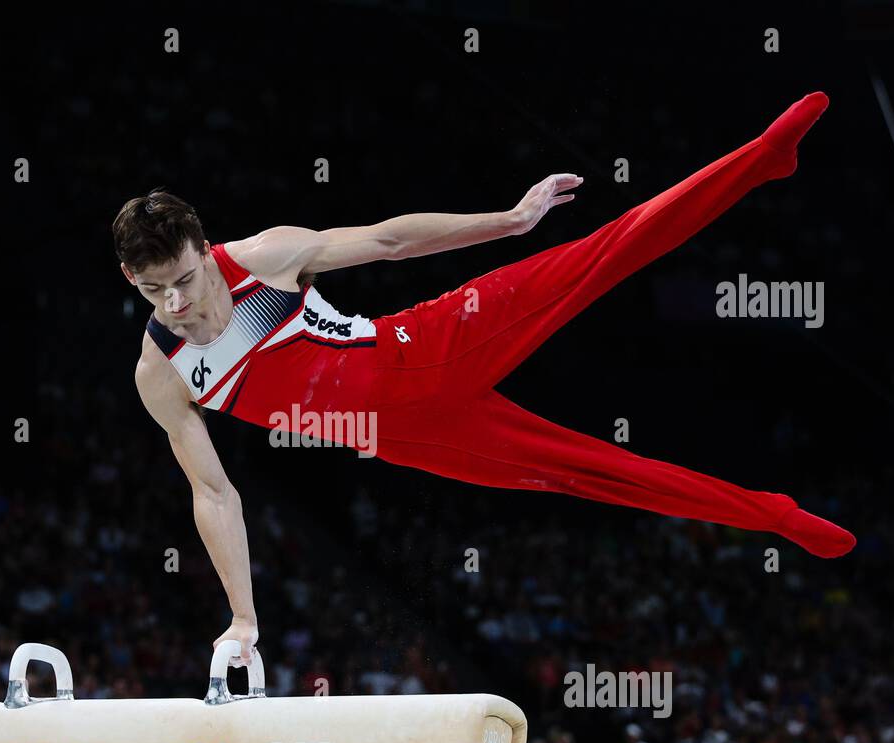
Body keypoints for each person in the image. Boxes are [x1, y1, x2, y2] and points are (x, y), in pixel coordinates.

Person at [119, 93, 854, 662]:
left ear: (203, 247)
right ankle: (773, 516)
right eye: (154, 292)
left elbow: (389, 241)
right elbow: (214, 493)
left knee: (600, 256)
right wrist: (244, 619)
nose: (175, 304)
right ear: (132, 279)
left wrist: (508, 221)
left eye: (182, 279)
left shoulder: (267, 257)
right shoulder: (162, 373)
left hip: (426, 347)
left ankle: (761, 158)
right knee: (587, 472)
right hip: (407, 437)